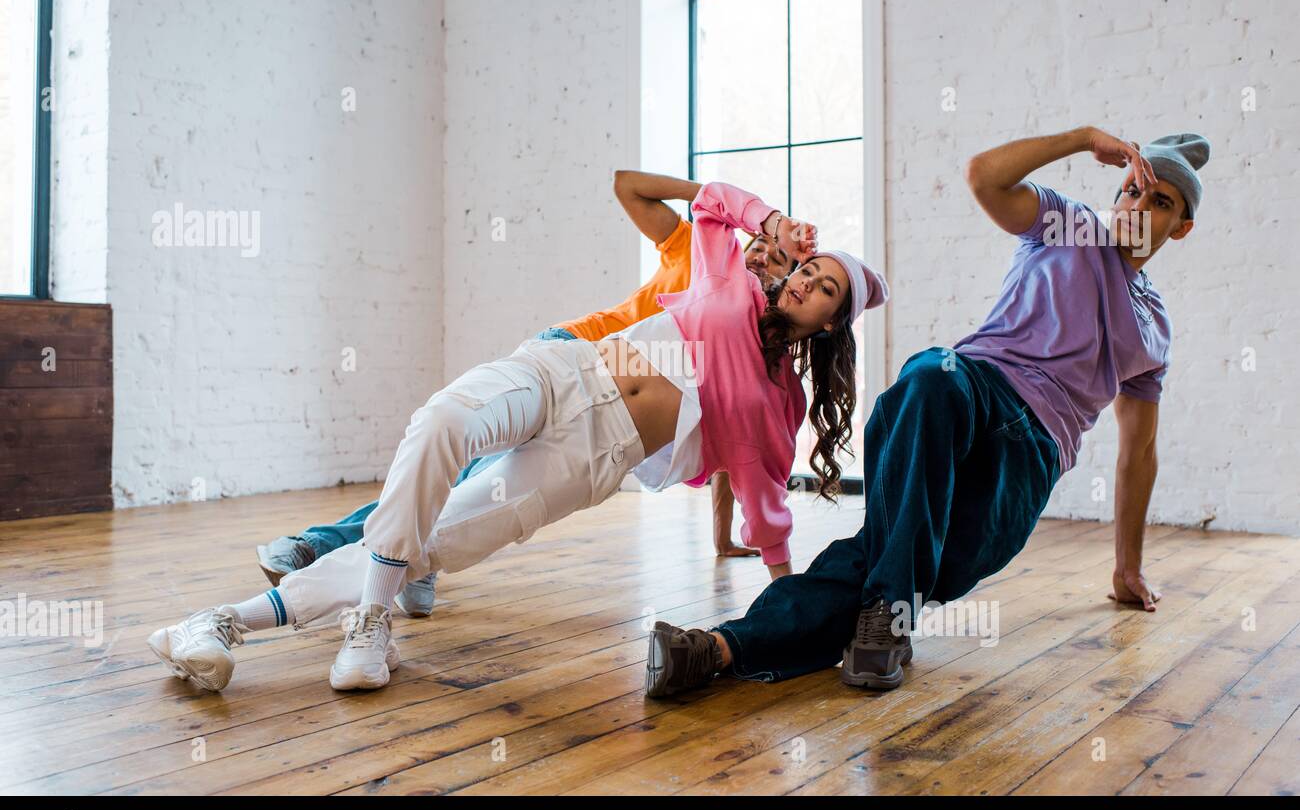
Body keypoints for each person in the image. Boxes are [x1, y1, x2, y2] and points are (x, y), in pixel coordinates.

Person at [147, 177, 889, 692]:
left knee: (433, 545)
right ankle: (371, 621)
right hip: (565, 370)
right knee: (439, 420)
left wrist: (792, 608)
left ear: (831, 323)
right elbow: (710, 200)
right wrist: (770, 224)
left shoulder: (779, 401)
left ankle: (218, 622)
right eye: (808, 269)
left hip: (592, 456)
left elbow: (767, 515)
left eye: (824, 288)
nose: (803, 282)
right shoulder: (731, 276)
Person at [645, 127, 1207, 696]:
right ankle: (889, 615)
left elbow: (1139, 451)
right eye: (1132, 190)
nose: (1138, 206)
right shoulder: (1071, 227)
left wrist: (1127, 568)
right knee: (931, 374)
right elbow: (984, 175)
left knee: (888, 558)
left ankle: (715, 650)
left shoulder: (1153, 327)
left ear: (1182, 228)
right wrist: (1084, 138)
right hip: (975, 387)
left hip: (1030, 458)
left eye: (1160, 202)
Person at [254, 170, 801, 617]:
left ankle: (408, 564)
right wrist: (753, 211)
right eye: (760, 247)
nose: (762, 257)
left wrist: (723, 538)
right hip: (574, 353)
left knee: (481, 486)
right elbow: (626, 184)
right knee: (462, 459)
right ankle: (327, 548)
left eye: (778, 261)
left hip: (612, 414)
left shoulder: (746, 329)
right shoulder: (697, 252)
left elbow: (731, 433)